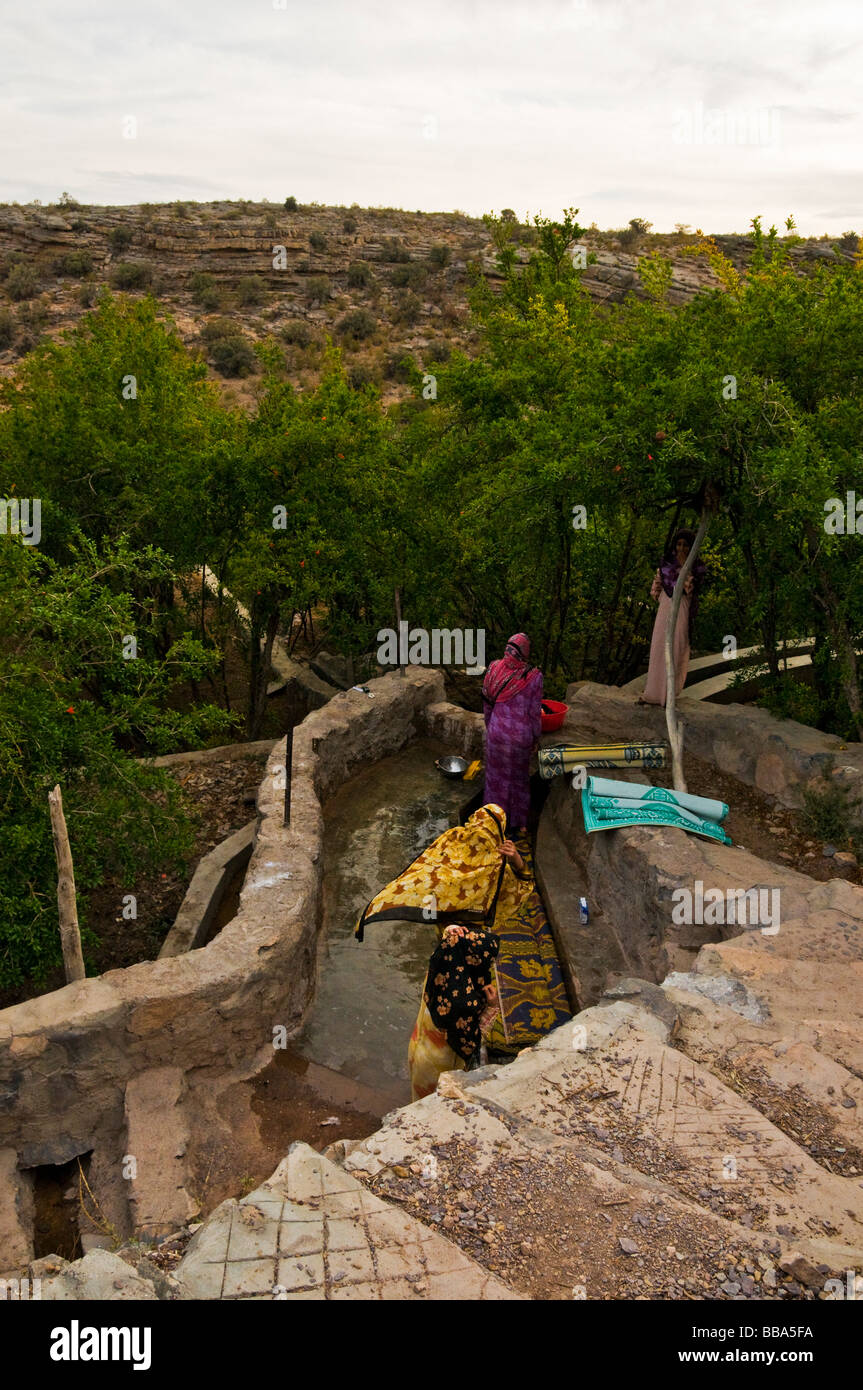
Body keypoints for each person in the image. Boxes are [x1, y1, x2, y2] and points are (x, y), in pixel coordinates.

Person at [408, 923, 500, 1101]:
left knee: (416, 1098)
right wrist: (492, 1007)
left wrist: (452, 931)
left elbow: (447, 944)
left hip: (418, 1048)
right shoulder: (463, 1004)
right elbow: (471, 1042)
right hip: (439, 1068)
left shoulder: (440, 971)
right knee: (432, 1107)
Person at [481, 633, 543, 835]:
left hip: (497, 733)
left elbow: (487, 702)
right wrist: (536, 737)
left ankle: (492, 821)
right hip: (520, 738)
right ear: (525, 652)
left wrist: (491, 726)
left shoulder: (493, 668)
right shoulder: (533, 677)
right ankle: (520, 824)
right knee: (518, 780)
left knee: (495, 779)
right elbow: (534, 713)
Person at [641, 529, 707, 706]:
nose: (681, 548)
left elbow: (692, 588)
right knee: (659, 647)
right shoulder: (666, 564)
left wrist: (686, 569)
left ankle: (669, 695)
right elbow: (656, 589)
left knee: (677, 647)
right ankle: (653, 694)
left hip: (683, 607)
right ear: (674, 545)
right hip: (665, 606)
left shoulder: (697, 566)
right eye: (679, 544)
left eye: (685, 545)